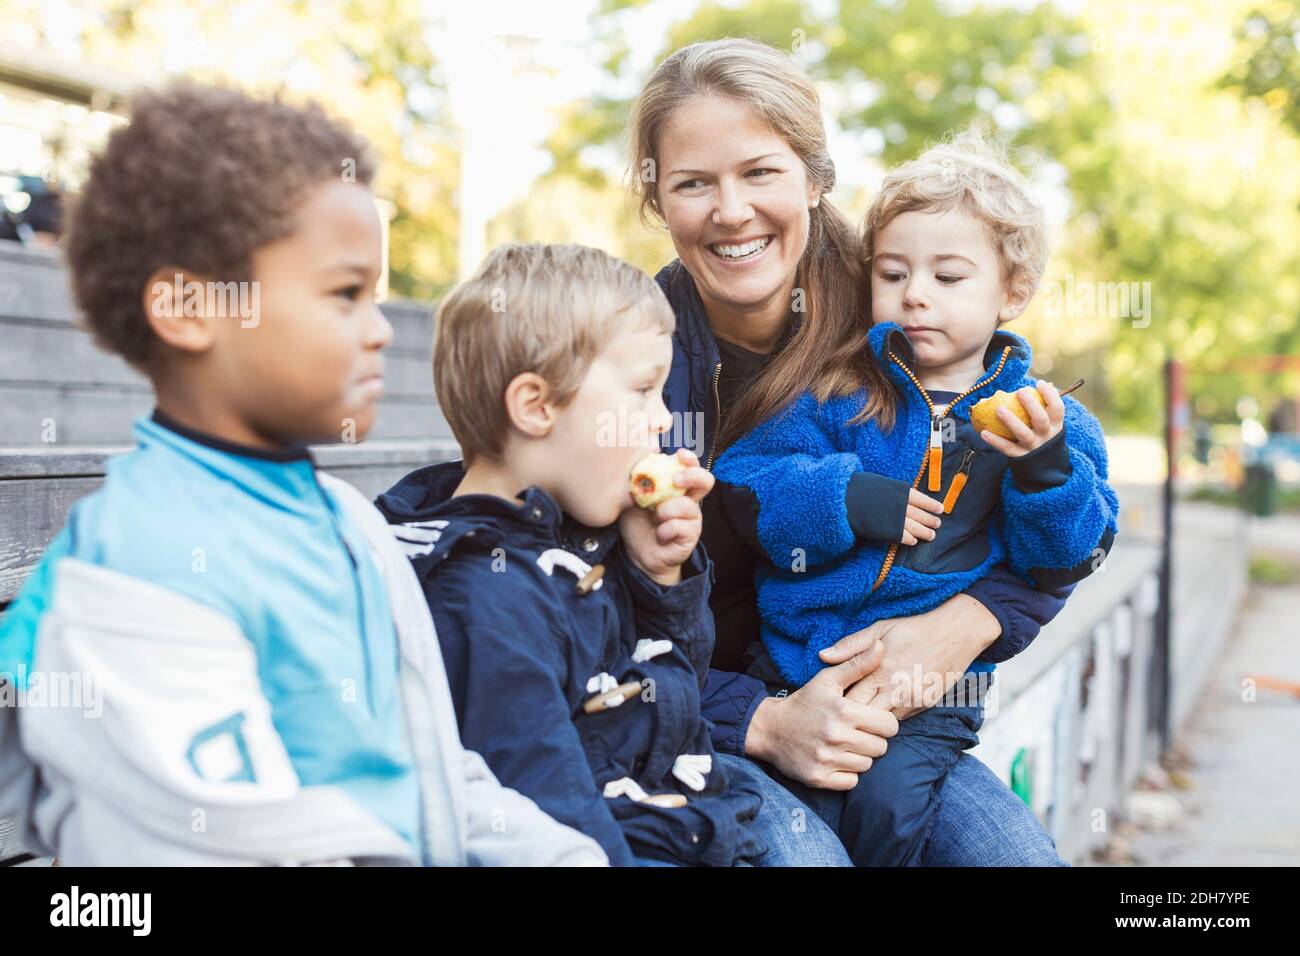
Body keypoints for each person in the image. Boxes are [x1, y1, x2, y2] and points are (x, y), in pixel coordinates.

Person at [0, 83, 604, 867]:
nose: (382, 331)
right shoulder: (131, 580)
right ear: (188, 307)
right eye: (345, 295)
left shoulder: (348, 522)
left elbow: (427, 773)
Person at [629, 37, 1072, 864]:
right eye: (694, 183)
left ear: (814, 175)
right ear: (659, 200)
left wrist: (966, 624)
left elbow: (1044, 519)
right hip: (710, 709)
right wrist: (759, 721)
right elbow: (597, 618)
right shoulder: (632, 355)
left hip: (892, 712)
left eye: (760, 171)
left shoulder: (907, 302)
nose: (730, 211)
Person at [714, 130, 1120, 865]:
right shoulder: (839, 394)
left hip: (933, 699)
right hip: (792, 667)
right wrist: (847, 497)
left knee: (889, 806)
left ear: (1013, 292)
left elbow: (1067, 555)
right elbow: (746, 480)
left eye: (949, 276)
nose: (916, 295)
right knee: (809, 820)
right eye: (894, 273)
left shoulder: (1048, 421)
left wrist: (1043, 471)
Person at [377, 242, 776, 866]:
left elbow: (676, 696)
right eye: (643, 391)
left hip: (692, 815)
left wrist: (660, 577)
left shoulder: (583, 535)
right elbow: (550, 809)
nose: (662, 421)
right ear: (537, 407)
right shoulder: (484, 596)